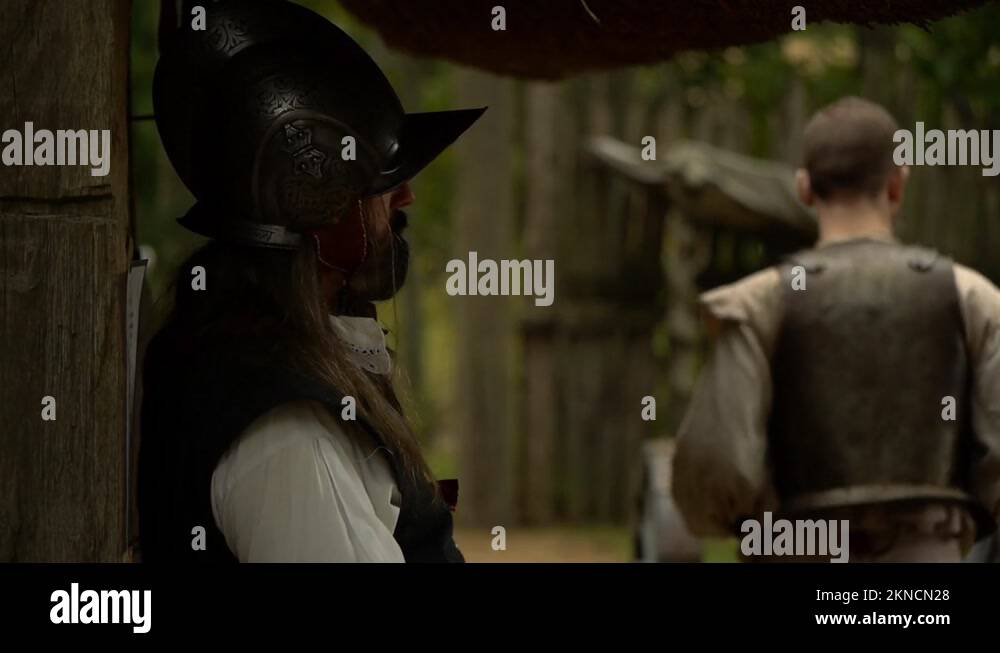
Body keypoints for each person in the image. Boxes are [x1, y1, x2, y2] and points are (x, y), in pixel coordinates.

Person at [138, 1, 485, 562]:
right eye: (382, 183)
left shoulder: (266, 366)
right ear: (317, 205)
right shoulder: (287, 431)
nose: (407, 197)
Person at [672, 96, 1000, 562]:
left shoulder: (758, 303)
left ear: (804, 189)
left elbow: (719, 463)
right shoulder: (972, 297)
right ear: (897, 185)